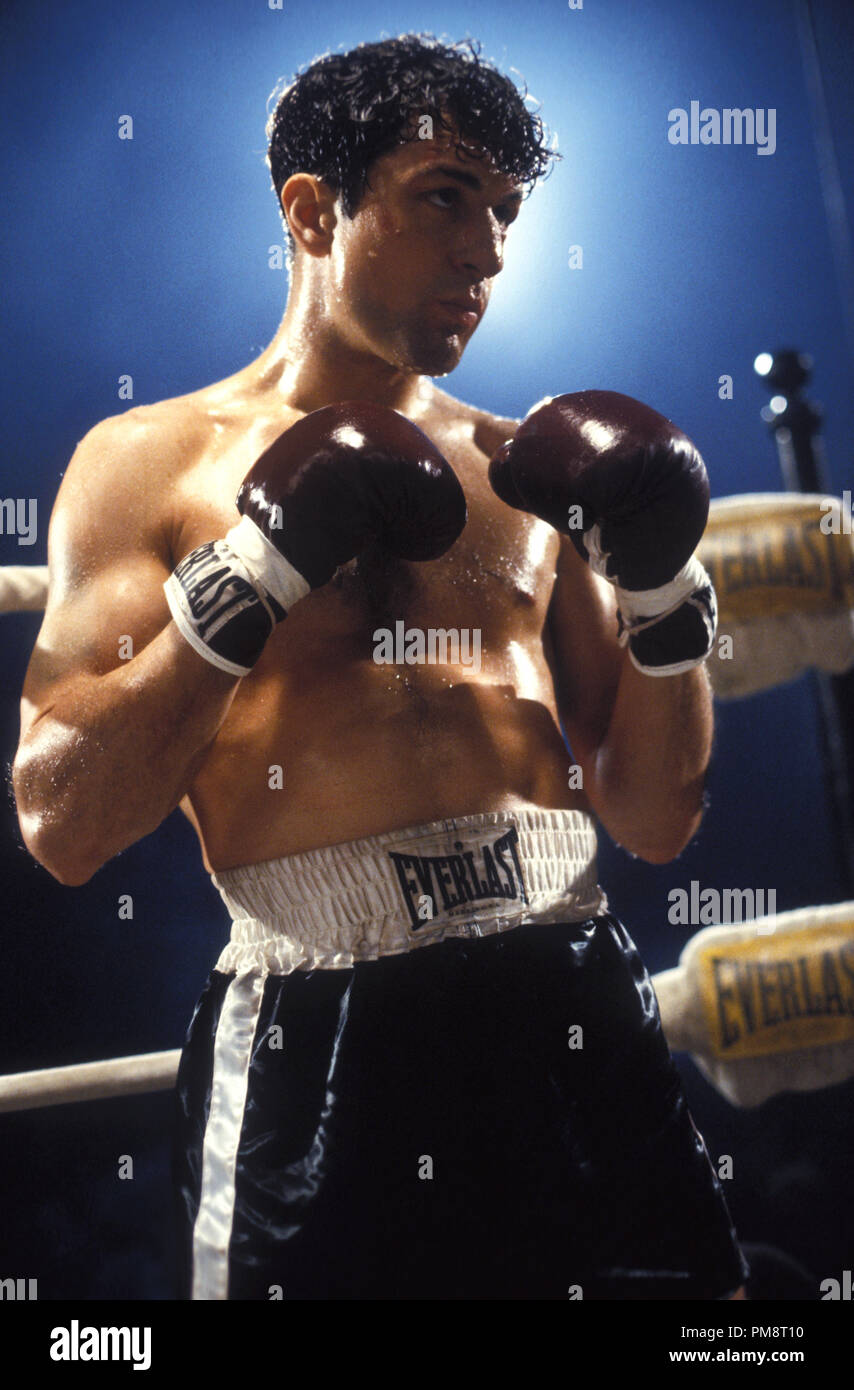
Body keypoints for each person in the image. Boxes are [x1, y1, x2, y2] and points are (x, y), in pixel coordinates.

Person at [12, 34, 748, 1301]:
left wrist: (667, 593)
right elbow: (62, 821)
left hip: (572, 990)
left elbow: (654, 812)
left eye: (505, 211)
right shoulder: (145, 465)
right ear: (312, 208)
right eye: (443, 196)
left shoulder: (531, 472)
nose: (489, 252)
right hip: (327, 1037)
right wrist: (254, 570)